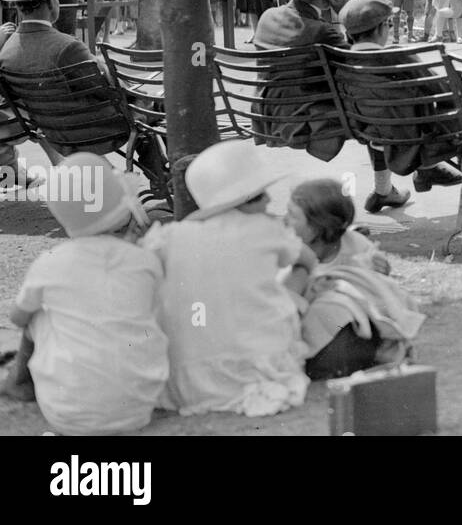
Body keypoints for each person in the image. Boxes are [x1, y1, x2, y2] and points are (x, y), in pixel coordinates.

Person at [143, 140, 315, 416]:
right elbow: (308, 261)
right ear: (240, 202)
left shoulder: (170, 238)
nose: (270, 200)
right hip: (255, 368)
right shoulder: (264, 227)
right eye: (259, 196)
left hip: (186, 379)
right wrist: (291, 293)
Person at [2, 152, 168, 434]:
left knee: (39, 311)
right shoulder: (144, 260)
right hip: (140, 406)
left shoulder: (51, 263)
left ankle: (18, 381)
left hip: (65, 412)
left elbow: (18, 318)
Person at [0, 0, 168, 190]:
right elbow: (111, 90)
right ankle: (164, 178)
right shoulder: (67, 47)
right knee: (149, 110)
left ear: (19, 8)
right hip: (94, 129)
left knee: (143, 108)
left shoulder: (6, 53)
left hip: (55, 132)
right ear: (52, 3)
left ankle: (159, 178)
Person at [286, 179, 425, 380]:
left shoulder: (353, 244)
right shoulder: (291, 249)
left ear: (317, 227)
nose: (284, 221)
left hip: (352, 320)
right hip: (314, 318)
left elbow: (372, 282)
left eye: (292, 216)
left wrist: (379, 268)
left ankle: (366, 350)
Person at [337, 0, 462, 213]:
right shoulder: (396, 56)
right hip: (414, 135)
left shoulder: (341, 62)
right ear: (381, 28)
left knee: (384, 116)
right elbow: (442, 89)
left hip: (369, 131)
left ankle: (386, 188)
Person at [251, 0, 350, 162]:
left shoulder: (267, 17)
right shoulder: (322, 31)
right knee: (379, 96)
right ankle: (385, 189)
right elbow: (360, 68)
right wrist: (345, 11)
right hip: (305, 121)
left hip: (267, 115)